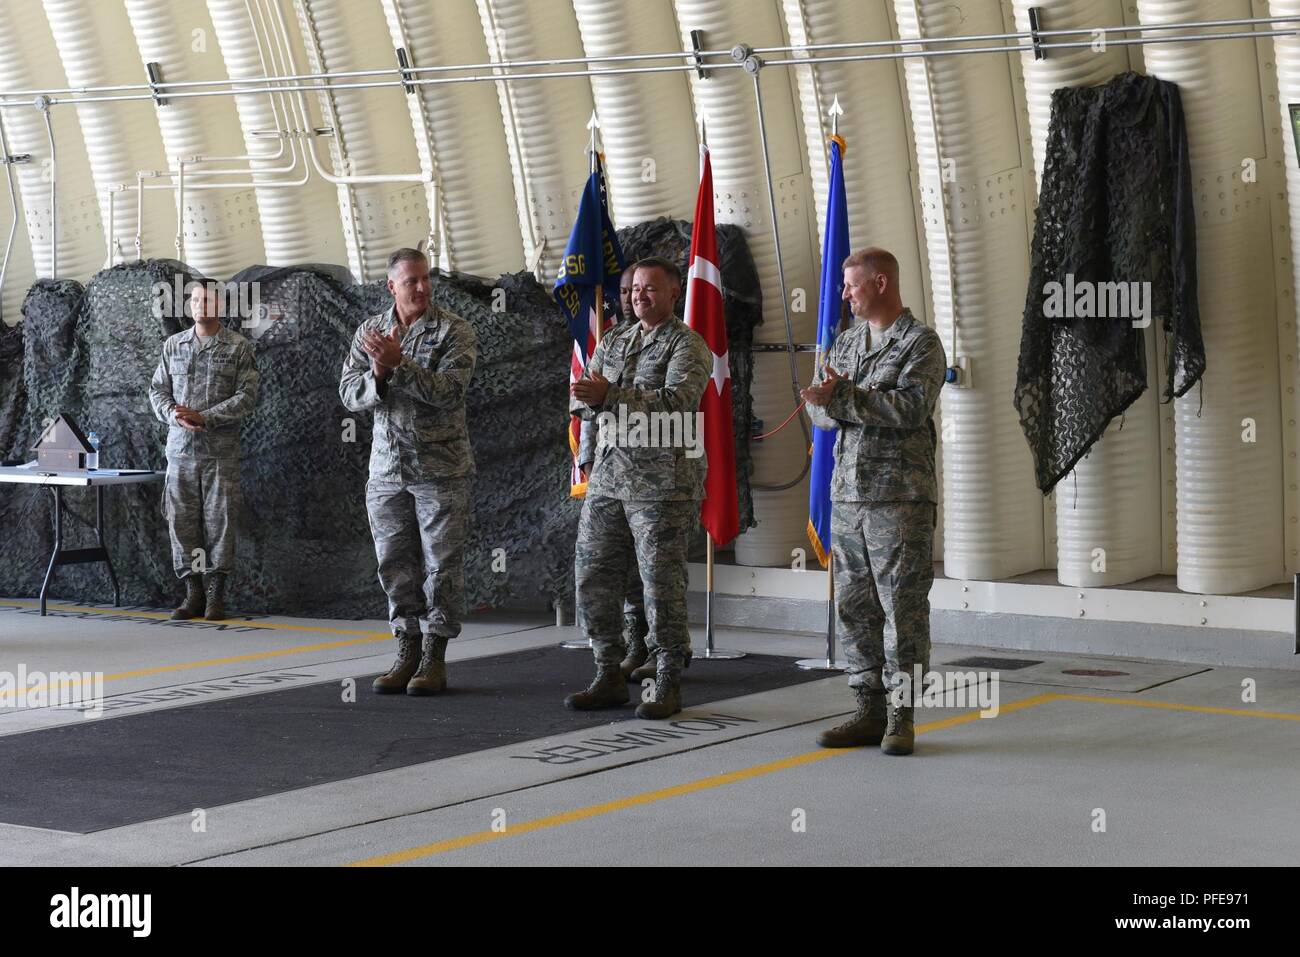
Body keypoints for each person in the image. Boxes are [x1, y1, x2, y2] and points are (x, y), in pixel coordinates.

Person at [800, 247, 946, 755]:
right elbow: (819, 416)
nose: (844, 294)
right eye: (843, 286)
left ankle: (901, 717)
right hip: (848, 498)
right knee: (856, 607)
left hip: (899, 500)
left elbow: (909, 407)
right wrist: (830, 403)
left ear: (882, 283)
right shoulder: (846, 343)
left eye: (852, 286)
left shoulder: (920, 343)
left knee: (901, 608)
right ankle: (868, 707)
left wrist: (842, 400)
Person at [566, 257, 711, 718]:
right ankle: (608, 671)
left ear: (673, 295)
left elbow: (676, 403)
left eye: (650, 289)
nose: (638, 297)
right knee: (593, 575)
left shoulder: (688, 345)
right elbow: (584, 396)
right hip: (609, 479)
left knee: (660, 585)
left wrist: (610, 397)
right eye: (633, 290)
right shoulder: (615, 338)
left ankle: (666, 677)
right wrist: (590, 433)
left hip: (662, 484)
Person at [339, 247, 476, 696]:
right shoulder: (370, 331)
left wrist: (401, 366)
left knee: (442, 565)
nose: (421, 287)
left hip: (441, 470)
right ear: (391, 286)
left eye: (425, 279)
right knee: (394, 563)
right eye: (411, 281)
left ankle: (435, 656)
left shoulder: (455, 330)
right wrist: (377, 376)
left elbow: (450, 392)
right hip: (386, 470)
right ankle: (406, 647)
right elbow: (348, 394)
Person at [148, 281, 260, 622]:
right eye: (194, 299)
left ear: (221, 305)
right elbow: (157, 390)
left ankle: (216, 594)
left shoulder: (238, 347)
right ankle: (192, 592)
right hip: (180, 452)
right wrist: (173, 414)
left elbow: (247, 395)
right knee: (182, 524)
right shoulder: (174, 345)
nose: (199, 304)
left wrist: (205, 417)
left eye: (207, 299)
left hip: (220, 454)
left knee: (220, 524)